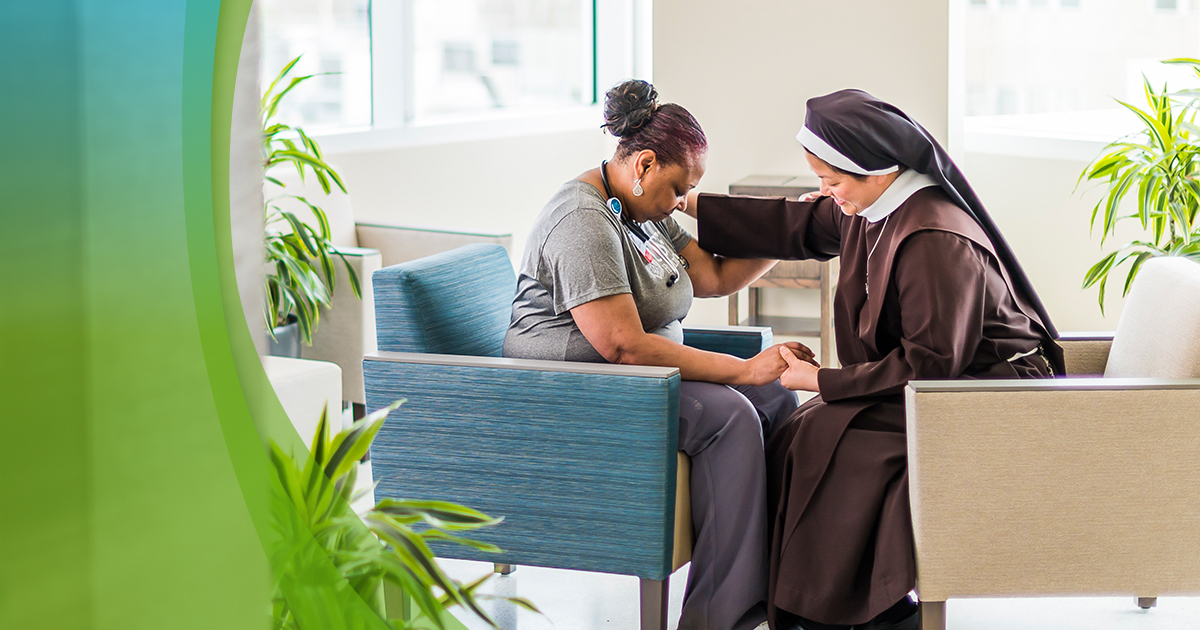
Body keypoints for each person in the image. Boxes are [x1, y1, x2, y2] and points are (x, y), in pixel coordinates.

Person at [684, 89, 1064, 630]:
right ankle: (811, 606)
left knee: (833, 436)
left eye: (832, 182)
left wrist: (822, 378)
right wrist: (686, 202)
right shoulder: (875, 206)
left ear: (877, 170)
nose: (825, 194)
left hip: (986, 393)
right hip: (939, 380)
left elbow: (932, 364)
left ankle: (863, 612)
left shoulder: (934, 237)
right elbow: (793, 224)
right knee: (804, 427)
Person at [503, 79, 816, 630]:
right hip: (572, 387)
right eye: (679, 189)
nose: (682, 203)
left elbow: (715, 276)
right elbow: (622, 345)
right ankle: (720, 618)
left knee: (773, 398)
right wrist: (743, 370)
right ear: (644, 164)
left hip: (639, 376)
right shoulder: (583, 220)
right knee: (731, 417)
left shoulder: (641, 210)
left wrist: (794, 234)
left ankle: (780, 589)